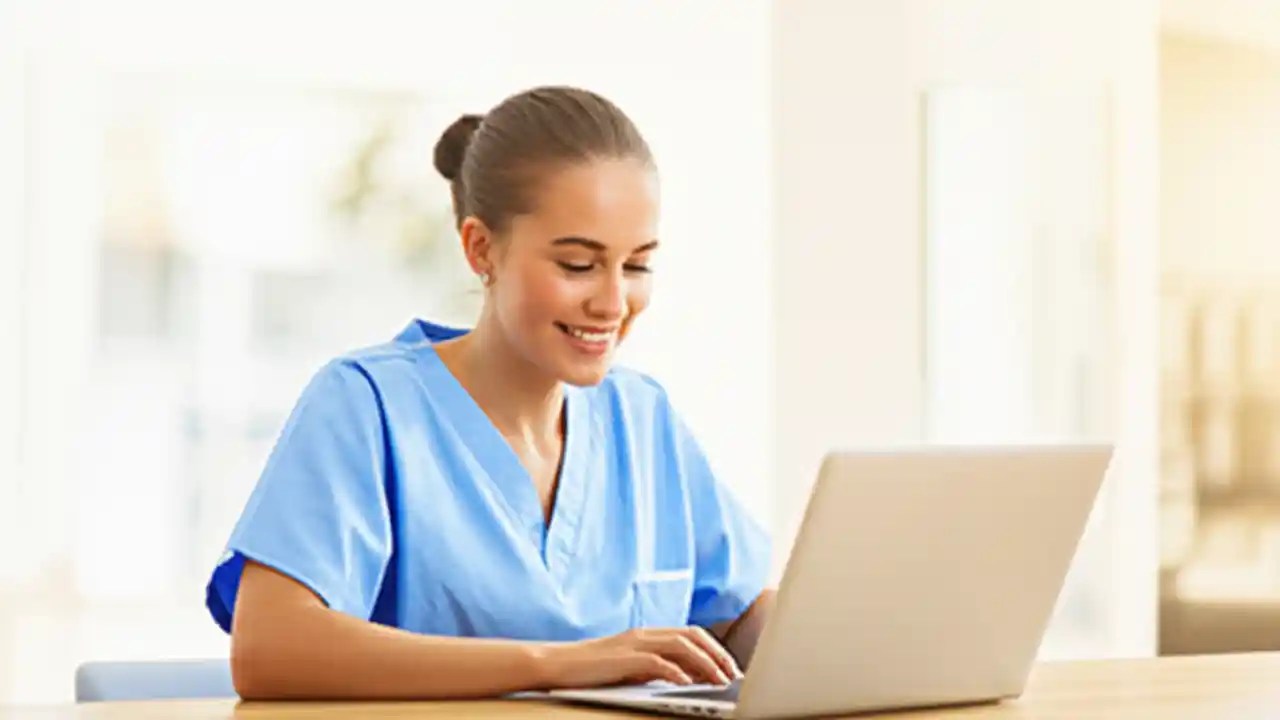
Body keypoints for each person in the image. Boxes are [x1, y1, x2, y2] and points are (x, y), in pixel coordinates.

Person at [205, 85, 775, 701]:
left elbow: (736, 616)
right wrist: (557, 663)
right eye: (578, 266)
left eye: (636, 266)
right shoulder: (367, 405)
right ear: (481, 248)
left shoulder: (643, 417)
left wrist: (852, 643)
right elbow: (271, 650)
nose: (613, 304)